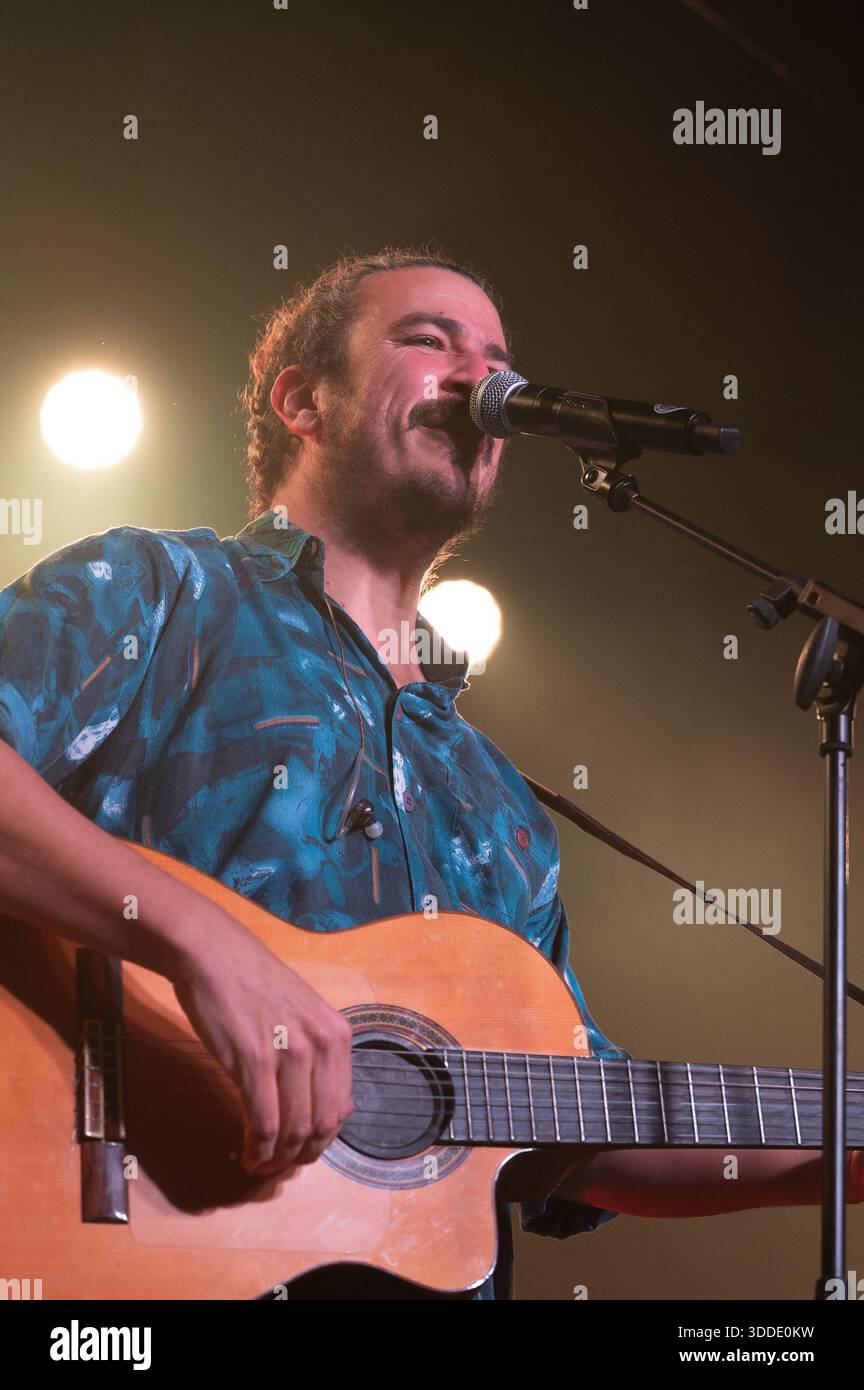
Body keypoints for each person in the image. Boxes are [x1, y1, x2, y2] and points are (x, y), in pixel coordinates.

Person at [0, 245, 860, 1302]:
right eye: (429, 341)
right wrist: (195, 937)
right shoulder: (160, 590)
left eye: (496, 356)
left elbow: (580, 1134)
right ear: (303, 400)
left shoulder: (499, 801)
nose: (477, 377)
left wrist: (842, 1155)